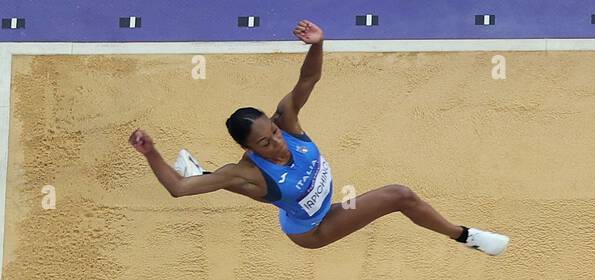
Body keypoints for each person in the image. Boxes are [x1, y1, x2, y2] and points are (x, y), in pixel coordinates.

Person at [128, 19, 508, 254]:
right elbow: (177, 189)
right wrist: (151, 153)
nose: (276, 142)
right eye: (264, 143)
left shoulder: (288, 123)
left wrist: (318, 44)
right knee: (399, 195)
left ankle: (204, 173)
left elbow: (308, 79)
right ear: (247, 148)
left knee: (265, 188)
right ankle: (465, 237)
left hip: (297, 194)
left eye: (273, 133)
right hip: (314, 226)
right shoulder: (246, 169)